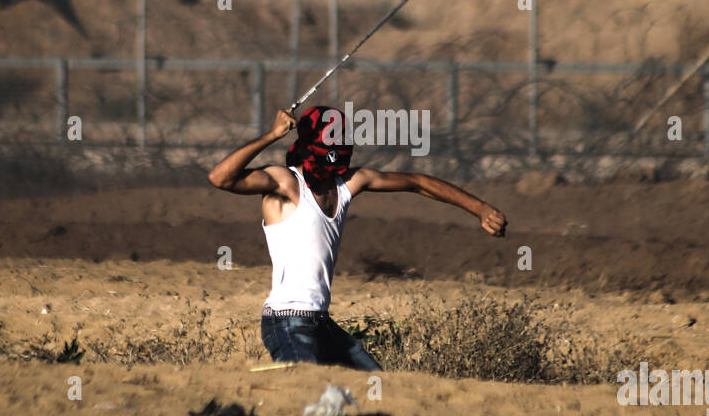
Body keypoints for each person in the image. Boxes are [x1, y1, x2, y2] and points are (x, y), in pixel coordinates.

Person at [207, 105, 508, 370]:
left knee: (377, 386)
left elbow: (417, 183)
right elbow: (220, 178)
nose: (330, 169)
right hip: (286, 321)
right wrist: (272, 135)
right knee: (304, 388)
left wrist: (479, 208)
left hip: (321, 322)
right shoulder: (286, 183)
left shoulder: (347, 184)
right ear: (309, 148)